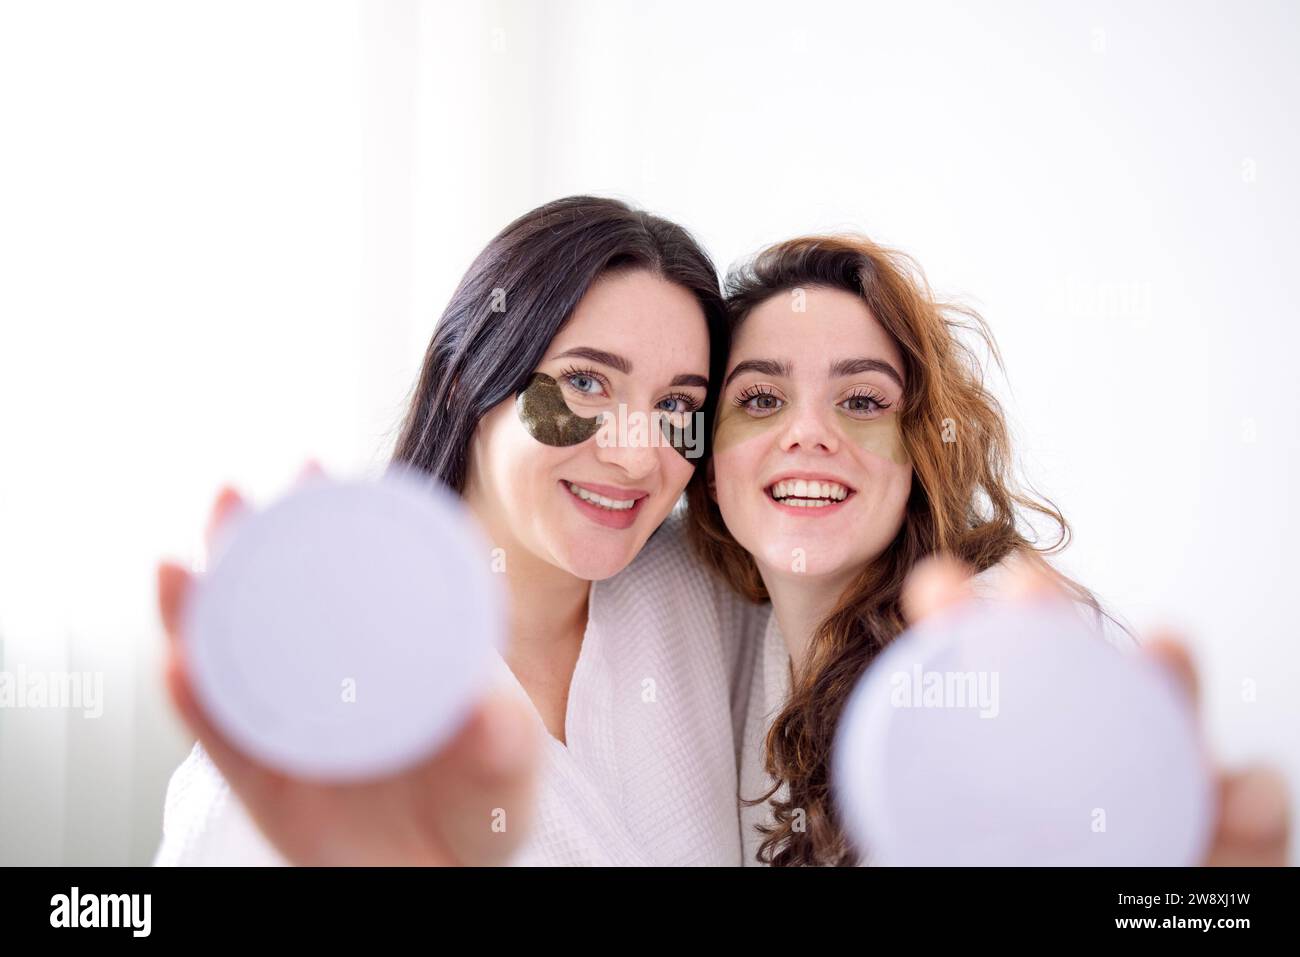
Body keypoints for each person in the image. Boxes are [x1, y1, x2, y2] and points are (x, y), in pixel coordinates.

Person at [153, 195, 763, 865]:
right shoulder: (330, 674)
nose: (637, 453)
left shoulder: (708, 592)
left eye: (677, 404)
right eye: (585, 382)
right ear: (468, 380)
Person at [687, 234, 1291, 866]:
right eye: (760, 399)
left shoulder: (990, 662)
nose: (808, 432)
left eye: (863, 401)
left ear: (919, 454)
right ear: (706, 465)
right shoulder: (726, 650)